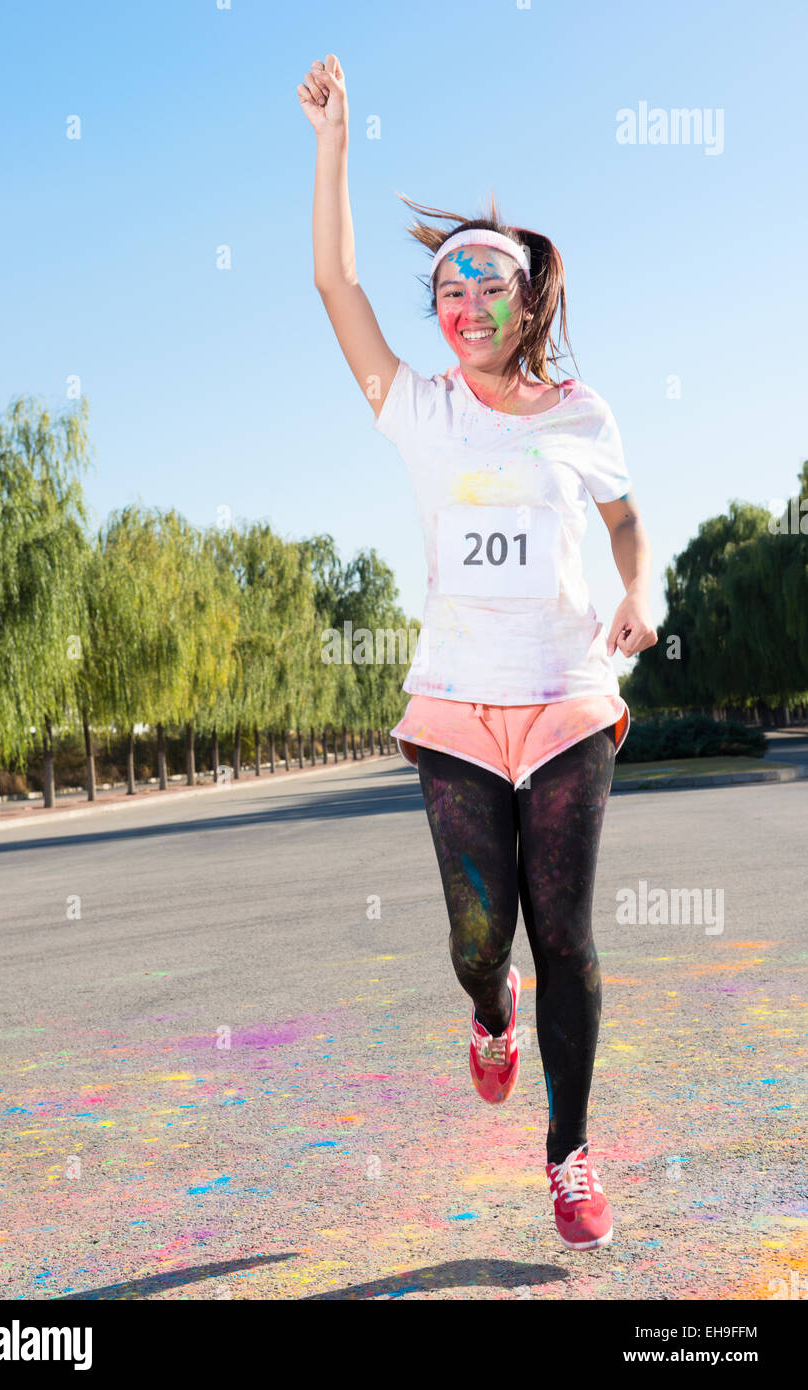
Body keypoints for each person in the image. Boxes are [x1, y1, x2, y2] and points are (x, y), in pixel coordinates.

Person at [298, 53, 657, 1252]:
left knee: (566, 930)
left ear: (530, 301)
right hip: (454, 703)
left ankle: (569, 1153)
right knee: (478, 939)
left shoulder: (582, 415)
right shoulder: (418, 409)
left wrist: (637, 590)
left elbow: (620, 517)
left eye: (485, 282)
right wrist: (334, 142)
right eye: (447, 285)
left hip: (564, 699)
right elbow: (335, 280)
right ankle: (488, 1015)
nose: (460, 299)